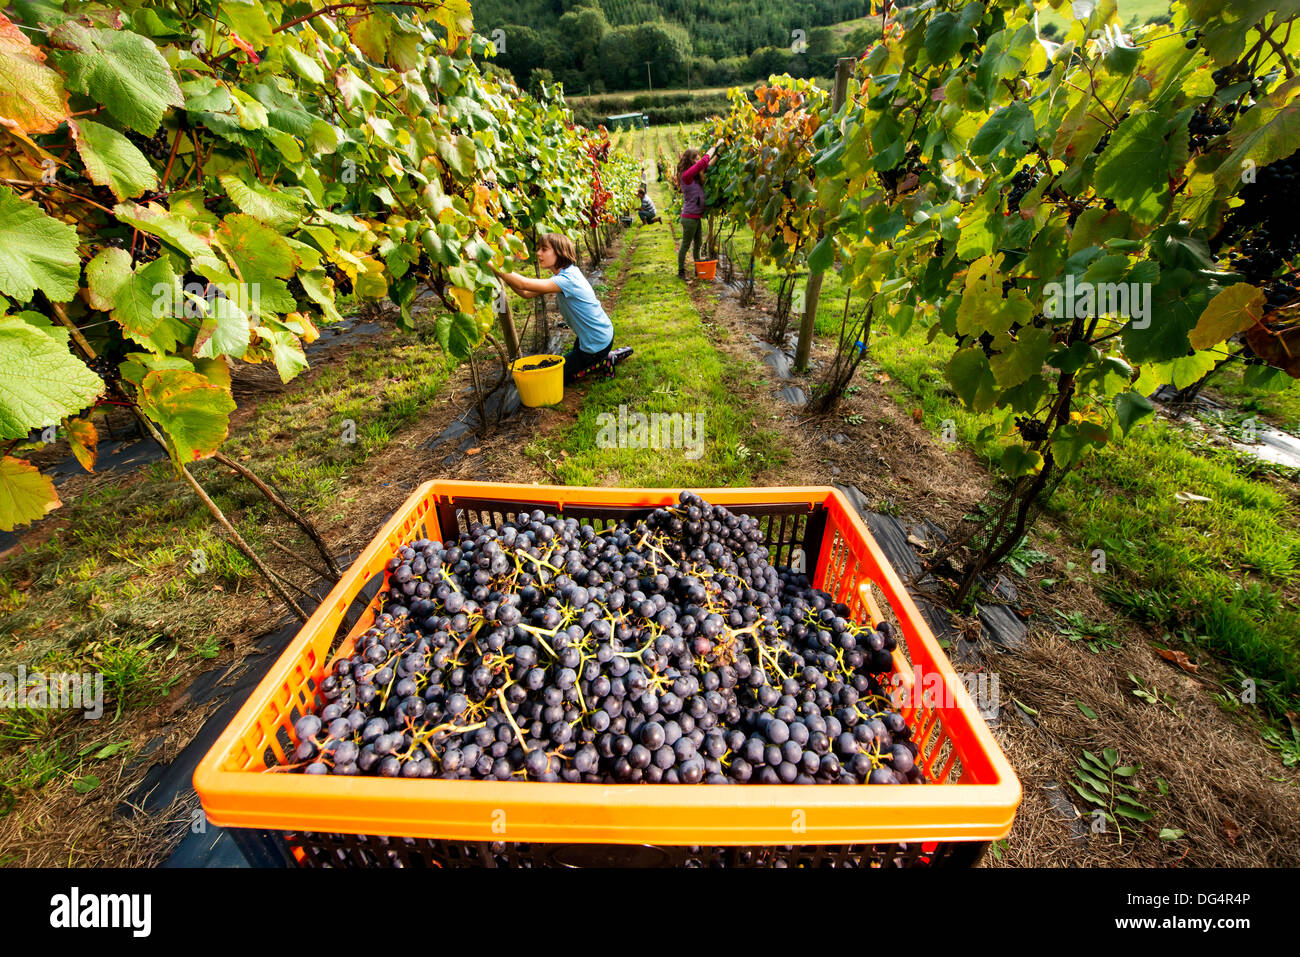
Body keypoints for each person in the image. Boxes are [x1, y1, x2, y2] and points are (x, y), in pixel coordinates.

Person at [494, 234, 616, 384]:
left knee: (554, 380)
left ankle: (604, 360)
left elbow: (523, 284)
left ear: (560, 252)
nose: (538, 253)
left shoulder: (567, 280)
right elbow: (525, 293)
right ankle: (599, 358)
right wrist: (501, 273)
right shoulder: (567, 274)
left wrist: (491, 263)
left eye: (544, 249)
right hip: (597, 335)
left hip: (597, 342)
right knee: (567, 367)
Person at [676, 141, 721, 279]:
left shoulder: (694, 175)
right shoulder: (686, 175)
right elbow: (703, 163)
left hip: (695, 217)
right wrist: (715, 146)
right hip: (689, 217)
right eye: (695, 158)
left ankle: (698, 269)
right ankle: (681, 271)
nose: (697, 160)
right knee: (685, 244)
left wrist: (718, 154)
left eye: (698, 158)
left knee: (698, 244)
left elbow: (706, 165)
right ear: (689, 161)